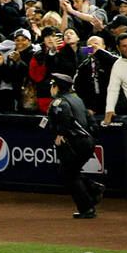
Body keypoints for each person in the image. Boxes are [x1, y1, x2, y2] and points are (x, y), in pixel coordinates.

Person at [45, 73, 104, 219]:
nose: (51, 89)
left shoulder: (59, 102)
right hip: (87, 141)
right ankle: (93, 189)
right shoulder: (76, 99)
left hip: (75, 142)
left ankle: (87, 207)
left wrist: (60, 134)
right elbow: (90, 119)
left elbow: (64, 119)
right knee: (70, 172)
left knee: (69, 174)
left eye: (52, 86)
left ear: (56, 87)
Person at [102, 32, 127, 125]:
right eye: (124, 46)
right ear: (118, 48)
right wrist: (109, 110)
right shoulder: (117, 66)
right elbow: (113, 89)